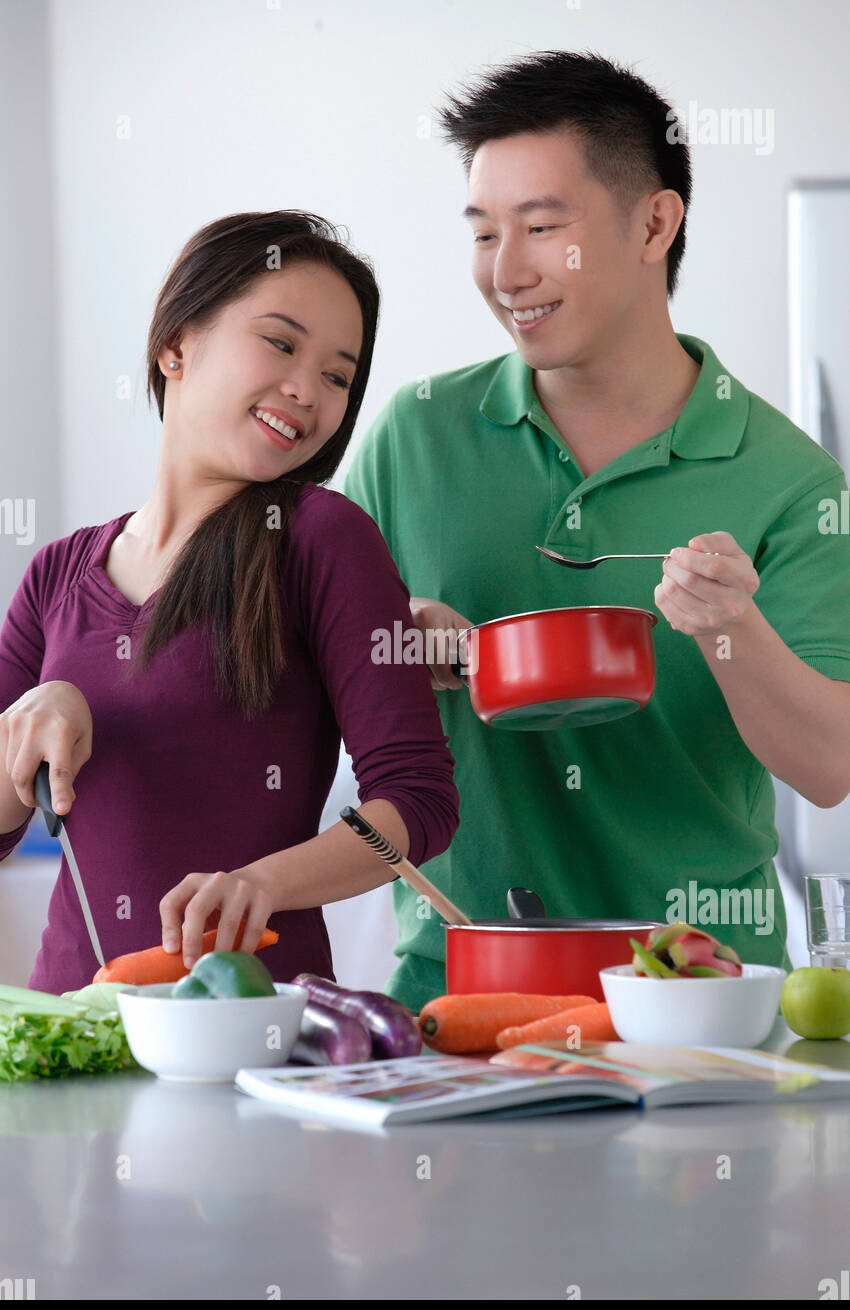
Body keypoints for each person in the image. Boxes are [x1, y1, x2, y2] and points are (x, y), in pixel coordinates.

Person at [342, 51, 850, 1013]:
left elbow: (828, 769)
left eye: (540, 227)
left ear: (656, 222)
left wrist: (728, 626)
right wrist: (397, 637)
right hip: (457, 988)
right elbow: (287, 666)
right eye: (484, 232)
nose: (505, 272)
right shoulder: (416, 435)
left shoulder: (792, 482)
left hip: (698, 995)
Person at [0, 210, 459, 995]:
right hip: (70, 1028)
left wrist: (266, 884)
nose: (305, 390)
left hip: (254, 1031)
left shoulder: (324, 540)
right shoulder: (56, 573)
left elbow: (418, 806)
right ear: (176, 343)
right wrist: (40, 708)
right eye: (281, 344)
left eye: (337, 376)